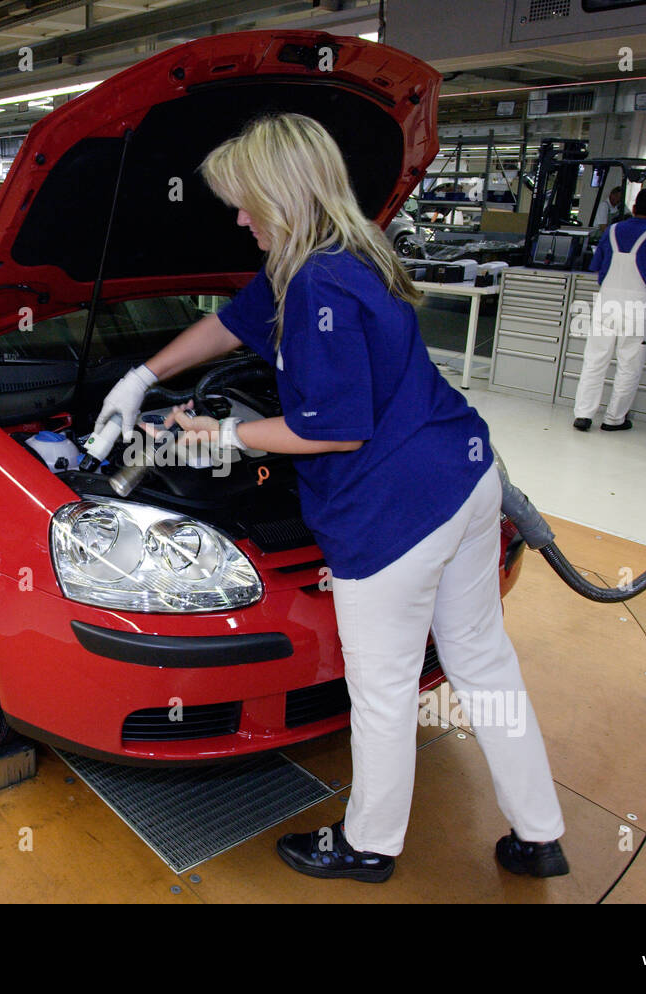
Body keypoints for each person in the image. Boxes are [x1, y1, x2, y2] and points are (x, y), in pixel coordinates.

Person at [94, 113, 568, 882]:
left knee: (380, 690)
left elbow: (334, 428)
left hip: (395, 512)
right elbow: (229, 327)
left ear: (281, 194)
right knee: (484, 661)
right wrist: (144, 375)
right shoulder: (333, 255)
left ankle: (369, 845)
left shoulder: (316, 279)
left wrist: (225, 438)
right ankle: (539, 833)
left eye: (246, 202)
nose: (240, 218)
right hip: (466, 475)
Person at [573, 187, 646, 432]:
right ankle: (614, 419)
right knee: (629, 364)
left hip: (606, 302)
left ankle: (583, 415)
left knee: (594, 360)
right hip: (638, 306)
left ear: (633, 207)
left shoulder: (611, 231)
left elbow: (598, 268)